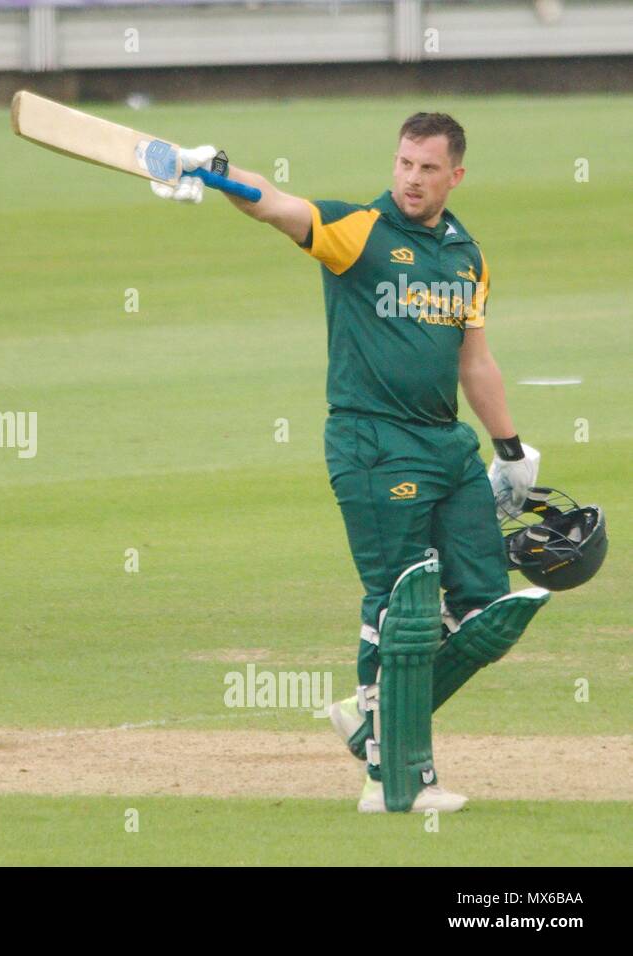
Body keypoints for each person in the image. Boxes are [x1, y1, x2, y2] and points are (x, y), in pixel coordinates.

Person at [153, 113, 550, 813]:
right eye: (404, 164)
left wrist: (511, 450)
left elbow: (476, 361)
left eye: (428, 169)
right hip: (372, 444)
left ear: (455, 175)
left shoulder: (466, 255)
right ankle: (392, 777)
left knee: (487, 609)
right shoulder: (359, 232)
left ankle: (373, 721)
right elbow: (276, 204)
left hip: (447, 446)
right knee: (401, 603)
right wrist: (216, 169)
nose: (412, 180)